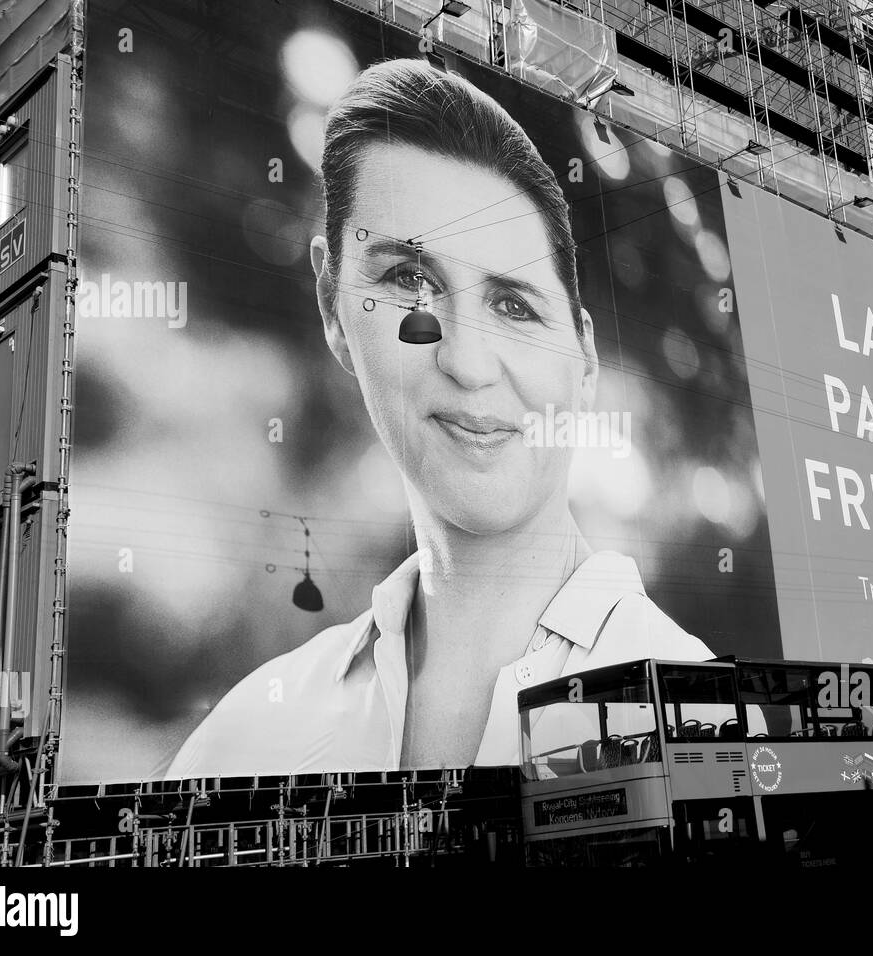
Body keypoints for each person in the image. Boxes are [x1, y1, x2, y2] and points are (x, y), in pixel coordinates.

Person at [167, 59, 712, 778]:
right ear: (336, 308)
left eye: (515, 305)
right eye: (409, 282)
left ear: (584, 358)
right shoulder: (250, 737)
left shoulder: (696, 719)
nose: (469, 361)